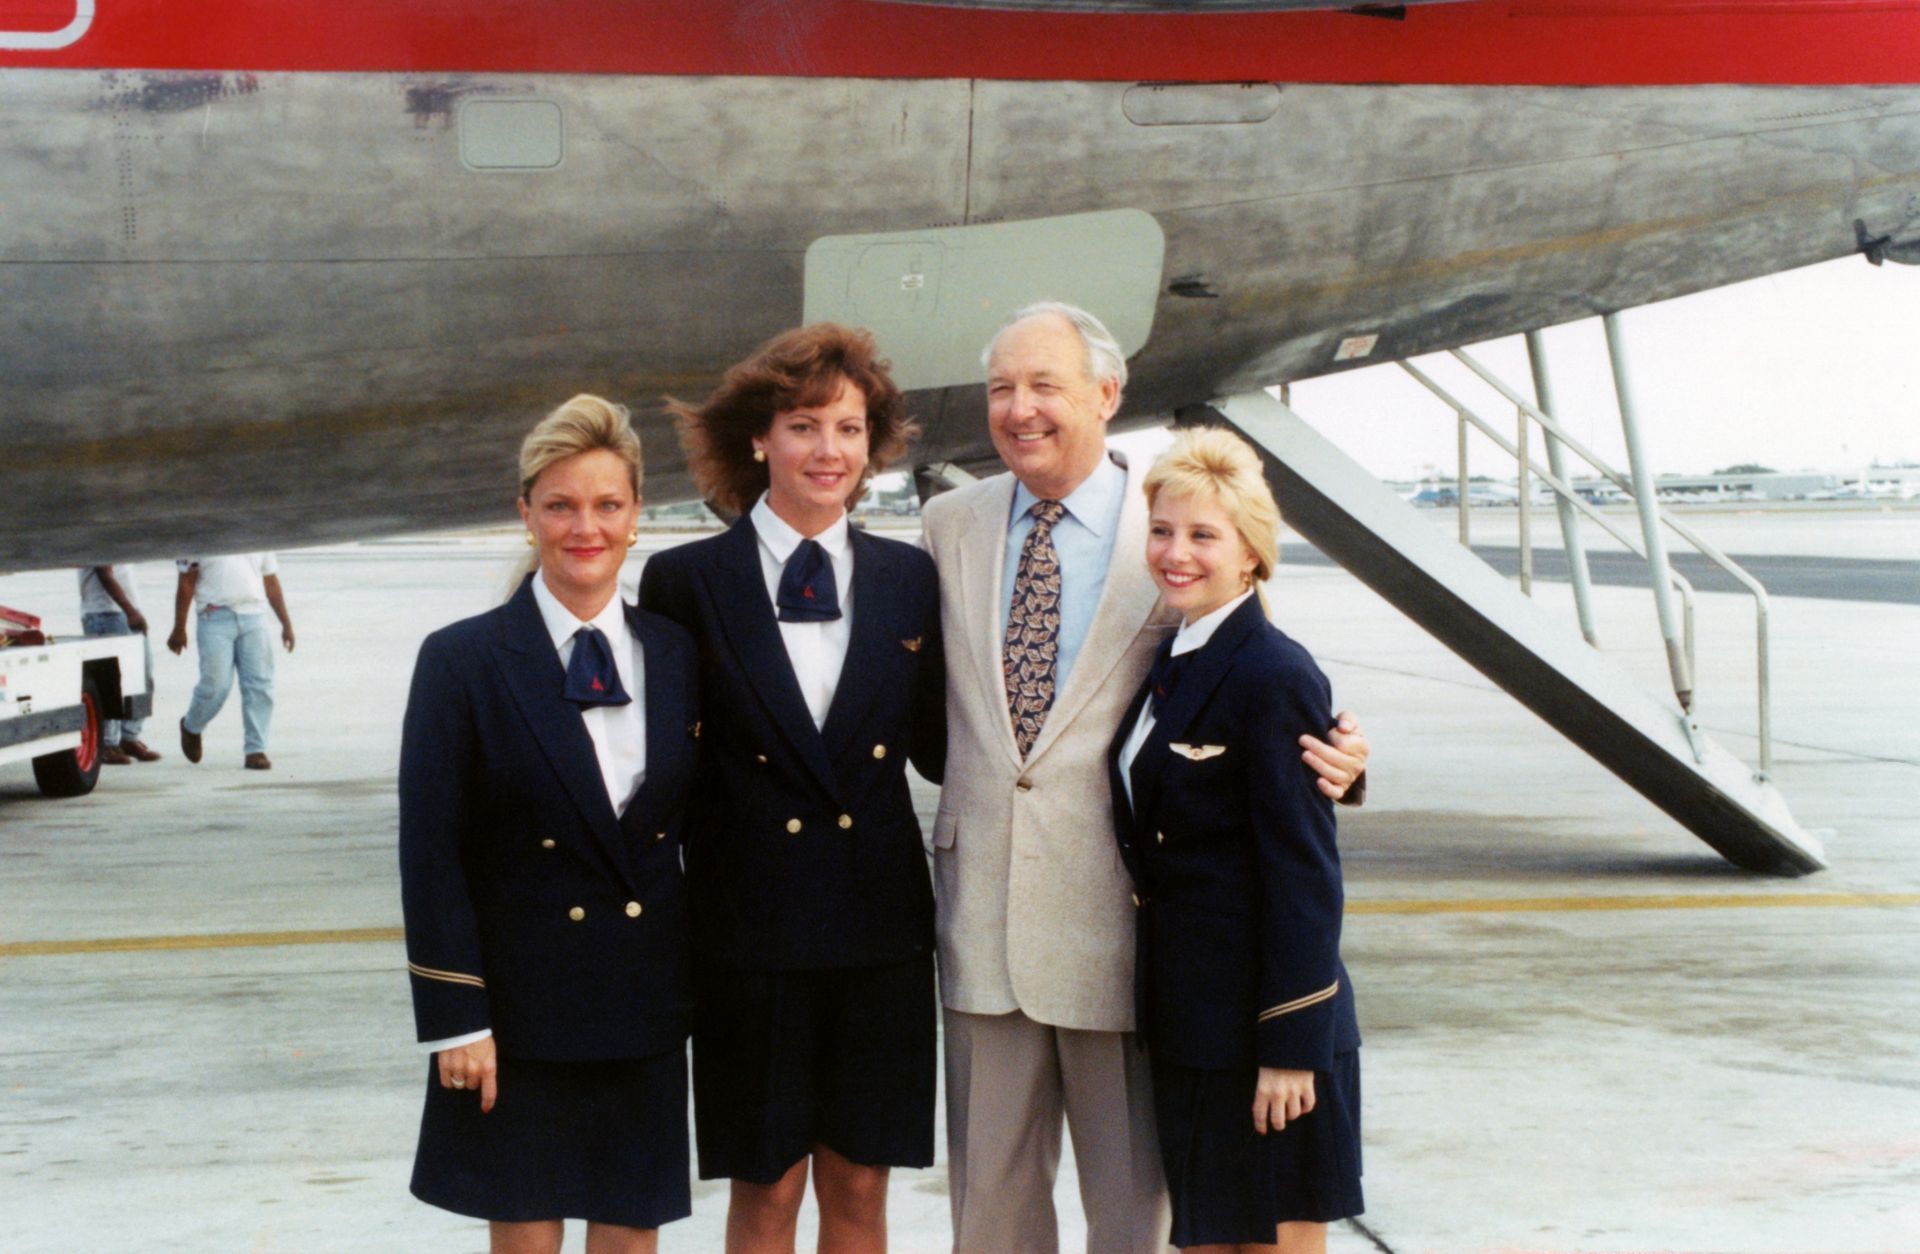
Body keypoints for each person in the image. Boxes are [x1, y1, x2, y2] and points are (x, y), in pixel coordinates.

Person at [917, 302, 1370, 1253]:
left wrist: (1341, 765)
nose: (1019, 409)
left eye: (1046, 385)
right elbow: (920, 711)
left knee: (1133, 1216)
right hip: (982, 924)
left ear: (1107, 395)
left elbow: (1256, 682)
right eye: (1002, 388)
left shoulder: (1165, 530)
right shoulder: (946, 526)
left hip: (1125, 941)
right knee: (988, 1217)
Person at [639, 324, 945, 1254]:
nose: (829, 451)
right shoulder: (687, 581)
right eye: (805, 426)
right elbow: (653, 764)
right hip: (748, 934)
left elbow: (949, 742)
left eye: (849, 429)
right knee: (766, 1191)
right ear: (759, 440)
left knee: (859, 1189)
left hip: (877, 932)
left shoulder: (907, 579)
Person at [398, 394, 700, 1253]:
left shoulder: (674, 655)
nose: (585, 527)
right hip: (520, 1013)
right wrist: (457, 1018)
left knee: (630, 1238)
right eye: (561, 505)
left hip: (640, 1000)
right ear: (525, 513)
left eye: (608, 505)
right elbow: (430, 852)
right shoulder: (462, 659)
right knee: (527, 1241)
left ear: (637, 516)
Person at [1109, 427, 1363, 1253]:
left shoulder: (1271, 670)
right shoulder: (1173, 655)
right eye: (1162, 530)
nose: (1175, 553)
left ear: (1252, 554)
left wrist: (1290, 1046)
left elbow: (1304, 876)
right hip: (1193, 1023)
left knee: (1276, 1243)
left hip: (1266, 1030)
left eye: (1203, 535)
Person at [166, 552, 295, 770]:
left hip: (254, 616)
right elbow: (187, 582)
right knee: (216, 685)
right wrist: (179, 627)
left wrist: (286, 624)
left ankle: (256, 750)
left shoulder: (259, 538)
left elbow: (270, 581)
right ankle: (192, 726)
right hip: (214, 616)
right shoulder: (200, 536)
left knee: (259, 685)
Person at [78, 564, 160, 763]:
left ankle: (129, 737)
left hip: (123, 612)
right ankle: (107, 742)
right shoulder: (101, 534)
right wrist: (131, 611)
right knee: (111, 682)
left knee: (141, 677)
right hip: (105, 614)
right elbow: (104, 573)